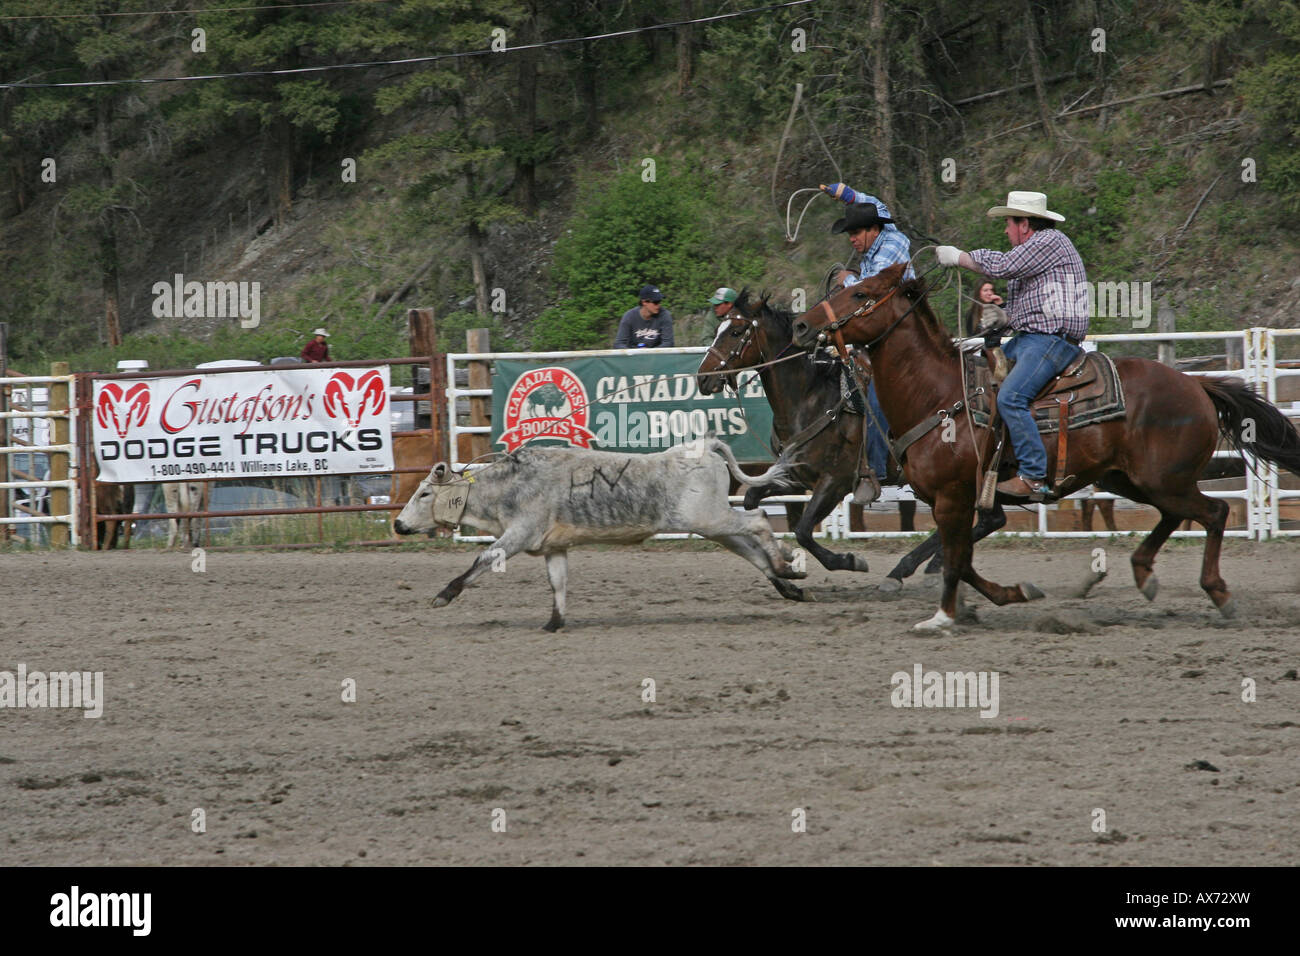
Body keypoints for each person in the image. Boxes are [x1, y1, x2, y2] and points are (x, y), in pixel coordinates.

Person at [936, 190, 1089, 501]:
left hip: (1051, 341)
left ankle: (1033, 475)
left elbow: (1003, 266)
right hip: (1033, 339)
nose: (1005, 230)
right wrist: (1003, 318)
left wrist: (960, 257)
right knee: (977, 383)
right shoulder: (1035, 256)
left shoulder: (1048, 242)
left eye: (1008, 223)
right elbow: (1022, 312)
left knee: (1010, 397)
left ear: (1025, 224)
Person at [821, 183, 916, 499]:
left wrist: (847, 280)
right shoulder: (881, 234)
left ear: (875, 230)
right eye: (850, 232)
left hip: (905, 334)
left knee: (877, 398)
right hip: (885, 334)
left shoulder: (892, 247)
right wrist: (844, 193)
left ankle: (875, 469)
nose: (851, 238)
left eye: (857, 232)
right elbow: (874, 202)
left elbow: (870, 289)